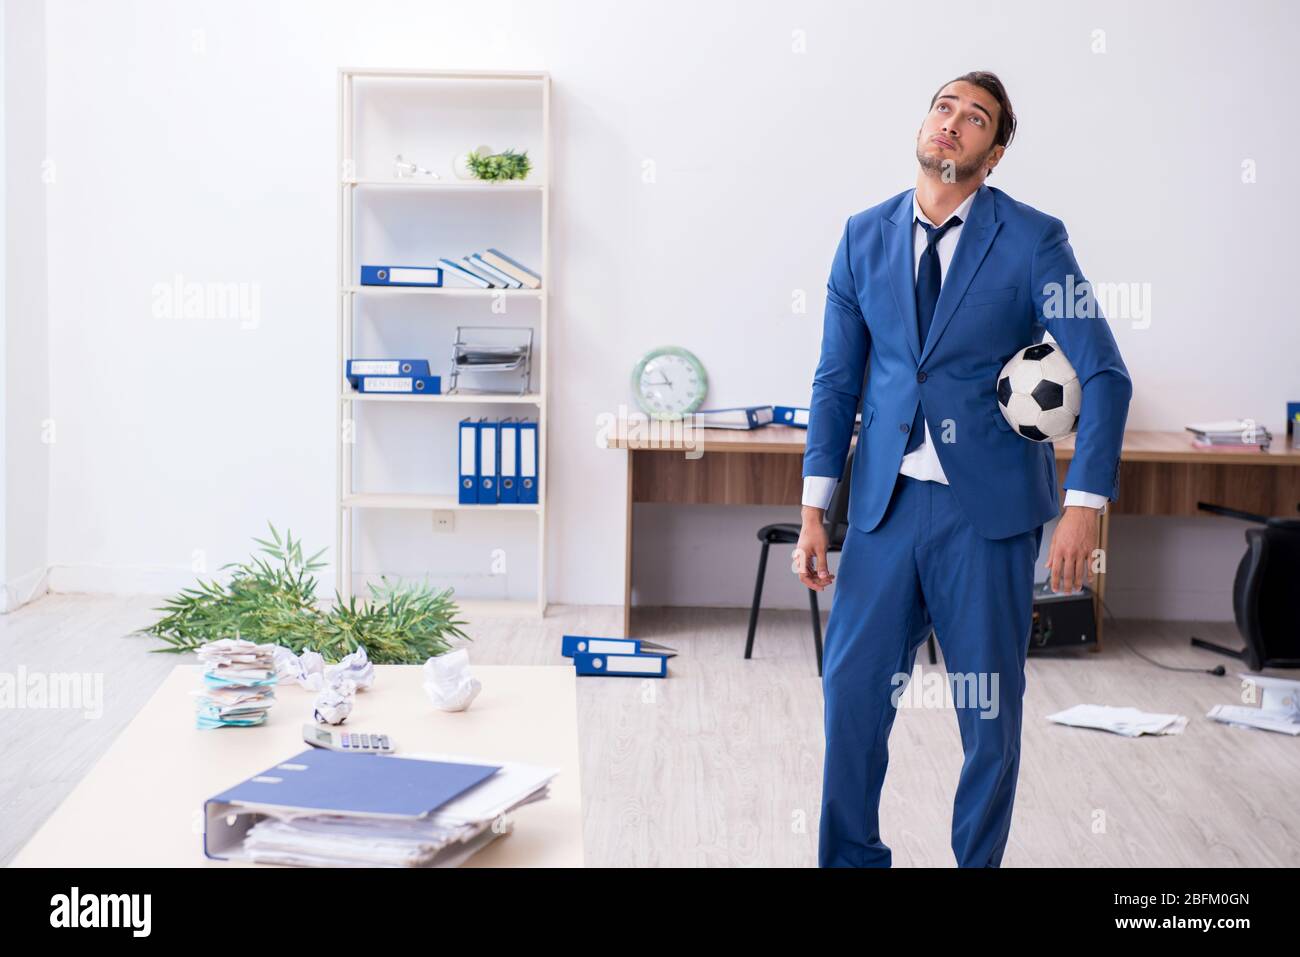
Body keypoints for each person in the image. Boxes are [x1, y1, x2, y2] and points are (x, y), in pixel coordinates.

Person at [796, 71, 1132, 867]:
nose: (951, 123)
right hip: (882, 510)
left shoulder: (1033, 239)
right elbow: (836, 381)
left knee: (987, 719)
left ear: (995, 151)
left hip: (987, 519)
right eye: (943, 107)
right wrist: (816, 506)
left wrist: (1084, 503)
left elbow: (1107, 373)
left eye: (973, 118)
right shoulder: (861, 235)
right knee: (850, 701)